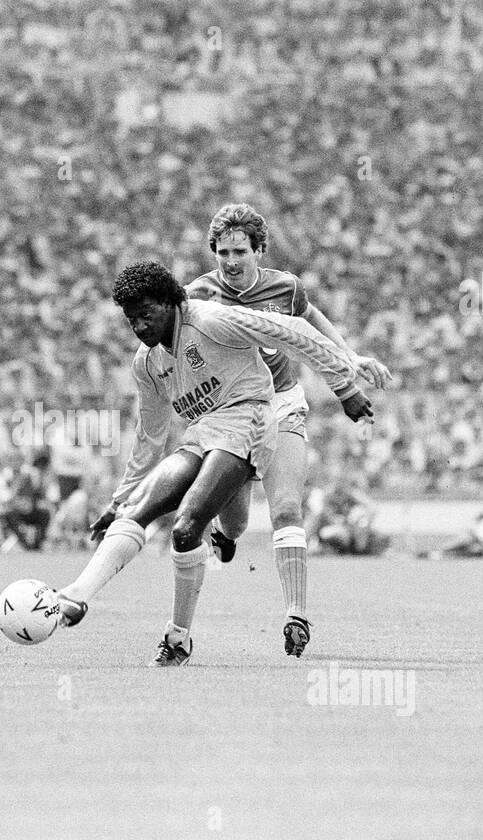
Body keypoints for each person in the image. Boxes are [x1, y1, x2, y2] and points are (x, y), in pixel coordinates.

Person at [52, 261, 372, 666]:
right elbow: (149, 436)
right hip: (204, 432)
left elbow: (293, 330)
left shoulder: (211, 320)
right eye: (131, 319)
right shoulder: (147, 363)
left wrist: (344, 386)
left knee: (186, 526)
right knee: (139, 511)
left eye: (146, 314)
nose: (139, 326)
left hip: (250, 418)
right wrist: (118, 500)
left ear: (169, 302)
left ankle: (176, 637)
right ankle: (77, 594)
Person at [183, 203, 391, 656]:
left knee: (286, 508)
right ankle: (224, 536)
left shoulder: (285, 288)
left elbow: (309, 319)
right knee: (236, 522)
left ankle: (296, 616)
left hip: (281, 406)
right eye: (223, 252)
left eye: (240, 251)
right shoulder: (197, 295)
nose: (231, 261)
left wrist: (349, 359)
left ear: (259, 251)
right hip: (232, 416)